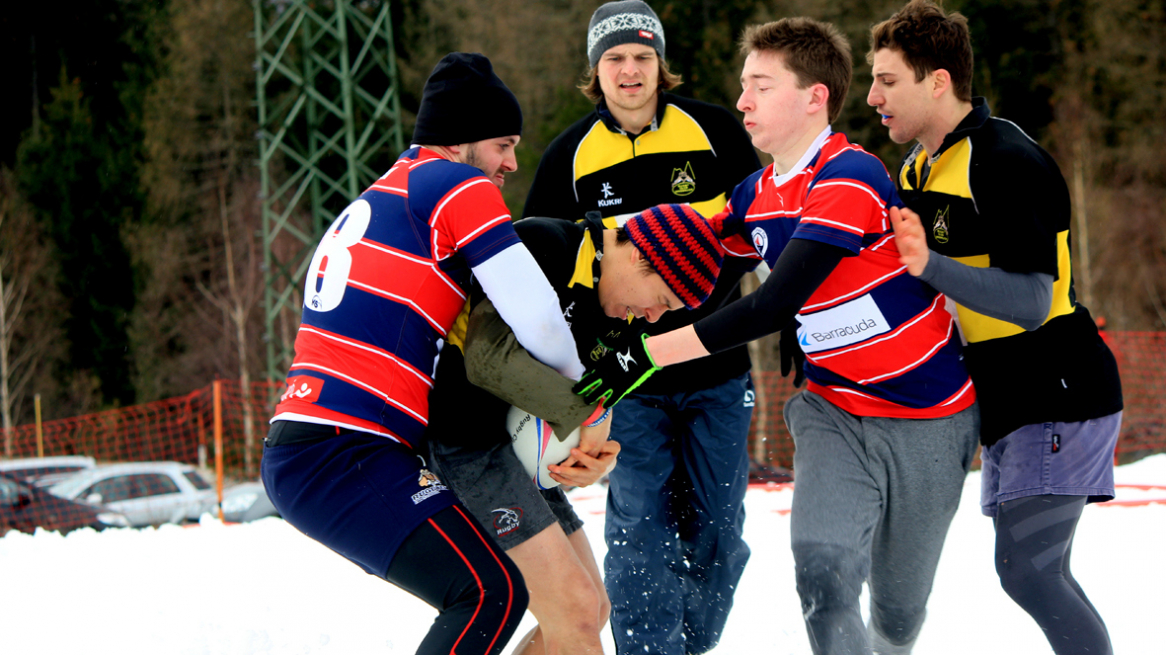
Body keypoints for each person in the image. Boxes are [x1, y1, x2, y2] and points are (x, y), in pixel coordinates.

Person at [573, 18, 980, 655]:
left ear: (814, 96)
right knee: (823, 572)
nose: (742, 102)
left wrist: (646, 354)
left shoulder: (850, 175)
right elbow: (679, 239)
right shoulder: (755, 194)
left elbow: (775, 302)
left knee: (899, 612)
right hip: (834, 412)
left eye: (760, 86)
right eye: (742, 86)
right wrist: (592, 264)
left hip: (929, 417)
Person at [260, 53, 587, 655]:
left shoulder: (387, 192)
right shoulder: (453, 185)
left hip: (320, 444)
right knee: (488, 592)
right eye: (502, 144)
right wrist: (584, 400)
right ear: (460, 139)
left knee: (498, 591)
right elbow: (537, 314)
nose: (512, 163)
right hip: (343, 449)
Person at [867, 3, 1124, 654]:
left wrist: (931, 263)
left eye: (888, 81)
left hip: (1059, 391)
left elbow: (1037, 299)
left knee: (1030, 571)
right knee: (1036, 572)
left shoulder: (1004, 158)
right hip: (1006, 402)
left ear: (938, 81)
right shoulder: (918, 170)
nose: (873, 97)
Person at [524, 3, 763, 653]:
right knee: (638, 528)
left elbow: (772, 234)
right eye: (614, 59)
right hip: (626, 380)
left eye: (641, 57)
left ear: (661, 64)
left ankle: (688, 641)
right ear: (594, 71)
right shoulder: (567, 157)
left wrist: (795, 321)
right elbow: (540, 284)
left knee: (717, 527)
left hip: (717, 366)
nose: (629, 71)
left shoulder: (715, 132)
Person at [426, 202, 727, 655]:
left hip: (516, 454)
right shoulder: (546, 243)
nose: (652, 317)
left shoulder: (620, 313)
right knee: (577, 609)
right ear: (639, 257)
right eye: (662, 300)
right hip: (464, 444)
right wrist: (590, 417)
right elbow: (486, 362)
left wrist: (594, 460)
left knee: (593, 608)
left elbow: (591, 403)